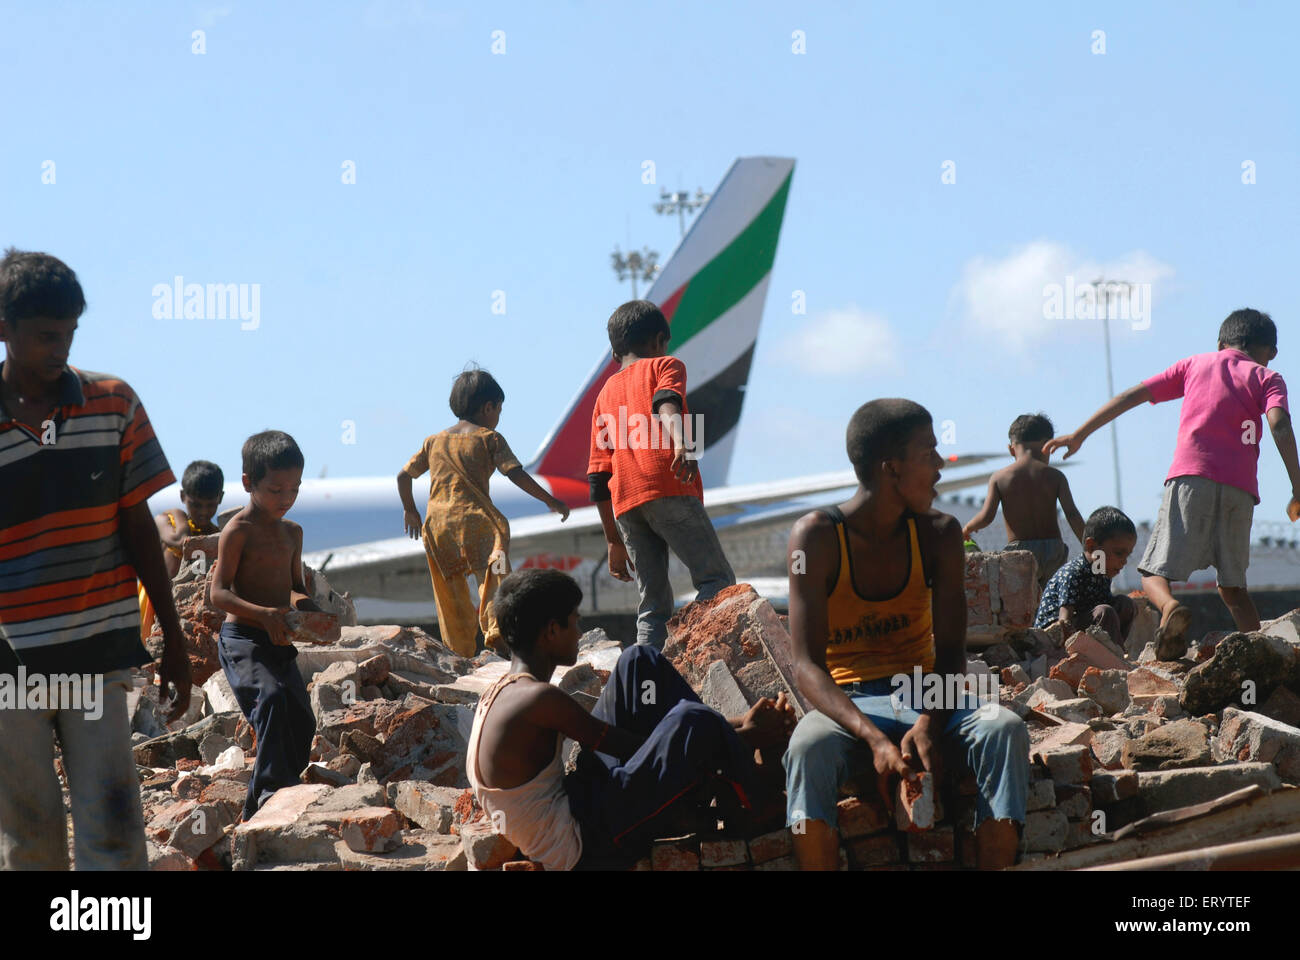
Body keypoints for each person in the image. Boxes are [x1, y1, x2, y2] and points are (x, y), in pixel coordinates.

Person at [0, 248, 191, 869]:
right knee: (29, 838)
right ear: (5, 330)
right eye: (45, 335)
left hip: (96, 655)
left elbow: (138, 524)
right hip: (9, 668)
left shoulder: (112, 405)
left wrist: (175, 635)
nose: (60, 348)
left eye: (70, 334)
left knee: (112, 825)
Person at [782, 399, 1029, 871]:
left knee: (1005, 728)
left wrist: (931, 722)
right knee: (806, 748)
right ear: (891, 469)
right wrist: (874, 740)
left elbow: (952, 650)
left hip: (924, 691)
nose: (940, 466)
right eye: (929, 453)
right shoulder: (815, 537)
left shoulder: (940, 534)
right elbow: (807, 667)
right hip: (850, 701)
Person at [466, 568, 793, 870]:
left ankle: (717, 781)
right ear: (552, 630)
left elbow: (632, 744)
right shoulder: (539, 699)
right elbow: (633, 748)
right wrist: (746, 734)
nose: (579, 633)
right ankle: (752, 803)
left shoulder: (505, 691)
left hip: (584, 801)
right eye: (574, 622)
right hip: (588, 847)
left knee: (639, 662)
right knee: (693, 721)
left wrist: (734, 726)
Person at [1046, 309, 1300, 659]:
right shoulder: (1268, 377)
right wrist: (1296, 487)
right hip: (1240, 490)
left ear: (1221, 343)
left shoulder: (1194, 364)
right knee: (1234, 589)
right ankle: (1261, 657)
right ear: (1269, 351)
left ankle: (1169, 608)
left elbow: (1132, 396)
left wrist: (1080, 434)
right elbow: (1280, 425)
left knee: (1153, 572)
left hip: (1190, 478)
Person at [587, 300, 735, 648]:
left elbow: (598, 476)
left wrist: (612, 541)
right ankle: (694, 645)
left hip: (625, 504)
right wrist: (682, 442)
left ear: (614, 353)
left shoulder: (603, 395)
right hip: (667, 485)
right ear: (658, 341)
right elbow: (665, 401)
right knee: (716, 580)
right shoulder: (666, 365)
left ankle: (646, 677)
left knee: (652, 606)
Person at [398, 367, 569, 658]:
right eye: (499, 410)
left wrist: (410, 511)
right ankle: (500, 636)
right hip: (479, 525)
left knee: (449, 593)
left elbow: (403, 477)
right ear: (488, 407)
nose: (498, 417)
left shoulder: (433, 441)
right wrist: (550, 500)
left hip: (438, 527)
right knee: (496, 579)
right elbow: (515, 474)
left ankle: (458, 653)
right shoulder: (490, 438)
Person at [210, 431, 319, 821]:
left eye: (294, 488)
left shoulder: (293, 533)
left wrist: (309, 610)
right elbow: (218, 594)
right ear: (247, 484)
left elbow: (294, 589)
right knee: (270, 701)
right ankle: (272, 796)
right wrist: (264, 615)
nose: (286, 498)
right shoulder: (238, 531)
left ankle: (272, 794)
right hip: (243, 641)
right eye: (275, 489)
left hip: (278, 639)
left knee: (302, 718)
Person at [962, 413, 1085, 591]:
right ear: (1049, 447)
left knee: (1022, 606)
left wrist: (967, 529)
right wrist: (1089, 544)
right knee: (1051, 601)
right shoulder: (1055, 476)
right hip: (1053, 549)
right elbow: (1072, 515)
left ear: (1011, 449)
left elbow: (986, 516)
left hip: (1019, 552)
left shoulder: (1000, 477)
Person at [139, 460, 224, 642]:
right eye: (196, 505)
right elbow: (180, 542)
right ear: (182, 496)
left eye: (210, 505)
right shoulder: (169, 520)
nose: (203, 512)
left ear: (221, 498)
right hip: (156, 604)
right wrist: (179, 515)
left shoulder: (216, 535)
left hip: (189, 610)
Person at [1032, 507, 1138, 647]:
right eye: (1119, 553)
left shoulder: (1101, 572)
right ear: (1092, 546)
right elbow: (1064, 621)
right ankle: (1111, 656)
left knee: (1125, 604)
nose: (1124, 561)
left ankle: (1114, 650)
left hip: (1082, 625)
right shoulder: (1074, 573)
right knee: (1105, 612)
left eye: (1127, 555)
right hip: (1053, 636)